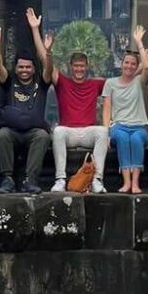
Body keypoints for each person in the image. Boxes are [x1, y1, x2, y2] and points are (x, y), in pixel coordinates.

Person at [0, 9, 53, 194]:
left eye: (28, 67)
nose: (24, 70)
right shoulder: (9, 80)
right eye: (21, 67)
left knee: (43, 136)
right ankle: (8, 179)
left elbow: (48, 66)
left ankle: (30, 179)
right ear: (16, 68)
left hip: (34, 132)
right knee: (2, 134)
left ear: (34, 69)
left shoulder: (41, 83)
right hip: (12, 131)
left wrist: (45, 46)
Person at [102, 25, 148, 194]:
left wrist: (139, 42)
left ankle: (135, 183)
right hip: (119, 126)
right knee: (122, 139)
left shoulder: (139, 81)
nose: (129, 66)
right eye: (127, 62)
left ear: (136, 66)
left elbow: (147, 67)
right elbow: (106, 109)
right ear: (122, 64)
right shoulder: (110, 83)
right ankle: (126, 182)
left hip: (138, 126)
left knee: (135, 140)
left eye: (133, 64)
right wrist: (106, 133)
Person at [48, 48, 108, 194]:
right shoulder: (62, 82)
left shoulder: (95, 84)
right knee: (58, 131)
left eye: (82, 66)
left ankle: (96, 179)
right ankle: (60, 179)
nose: (79, 69)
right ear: (71, 66)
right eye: (76, 65)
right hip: (69, 132)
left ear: (86, 66)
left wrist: (142, 65)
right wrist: (47, 49)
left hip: (88, 132)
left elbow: (123, 81)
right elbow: (47, 66)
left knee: (103, 131)